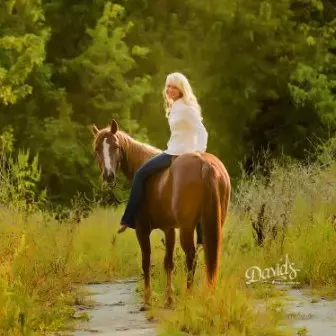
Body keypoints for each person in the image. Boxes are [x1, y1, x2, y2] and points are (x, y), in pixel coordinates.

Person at [118, 72, 208, 244]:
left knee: (139, 175)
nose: (170, 89)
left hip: (176, 153)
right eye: (168, 86)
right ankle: (202, 240)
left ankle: (128, 219)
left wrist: (199, 152)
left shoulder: (187, 109)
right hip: (174, 150)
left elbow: (202, 130)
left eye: (174, 87)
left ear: (181, 89)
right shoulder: (174, 107)